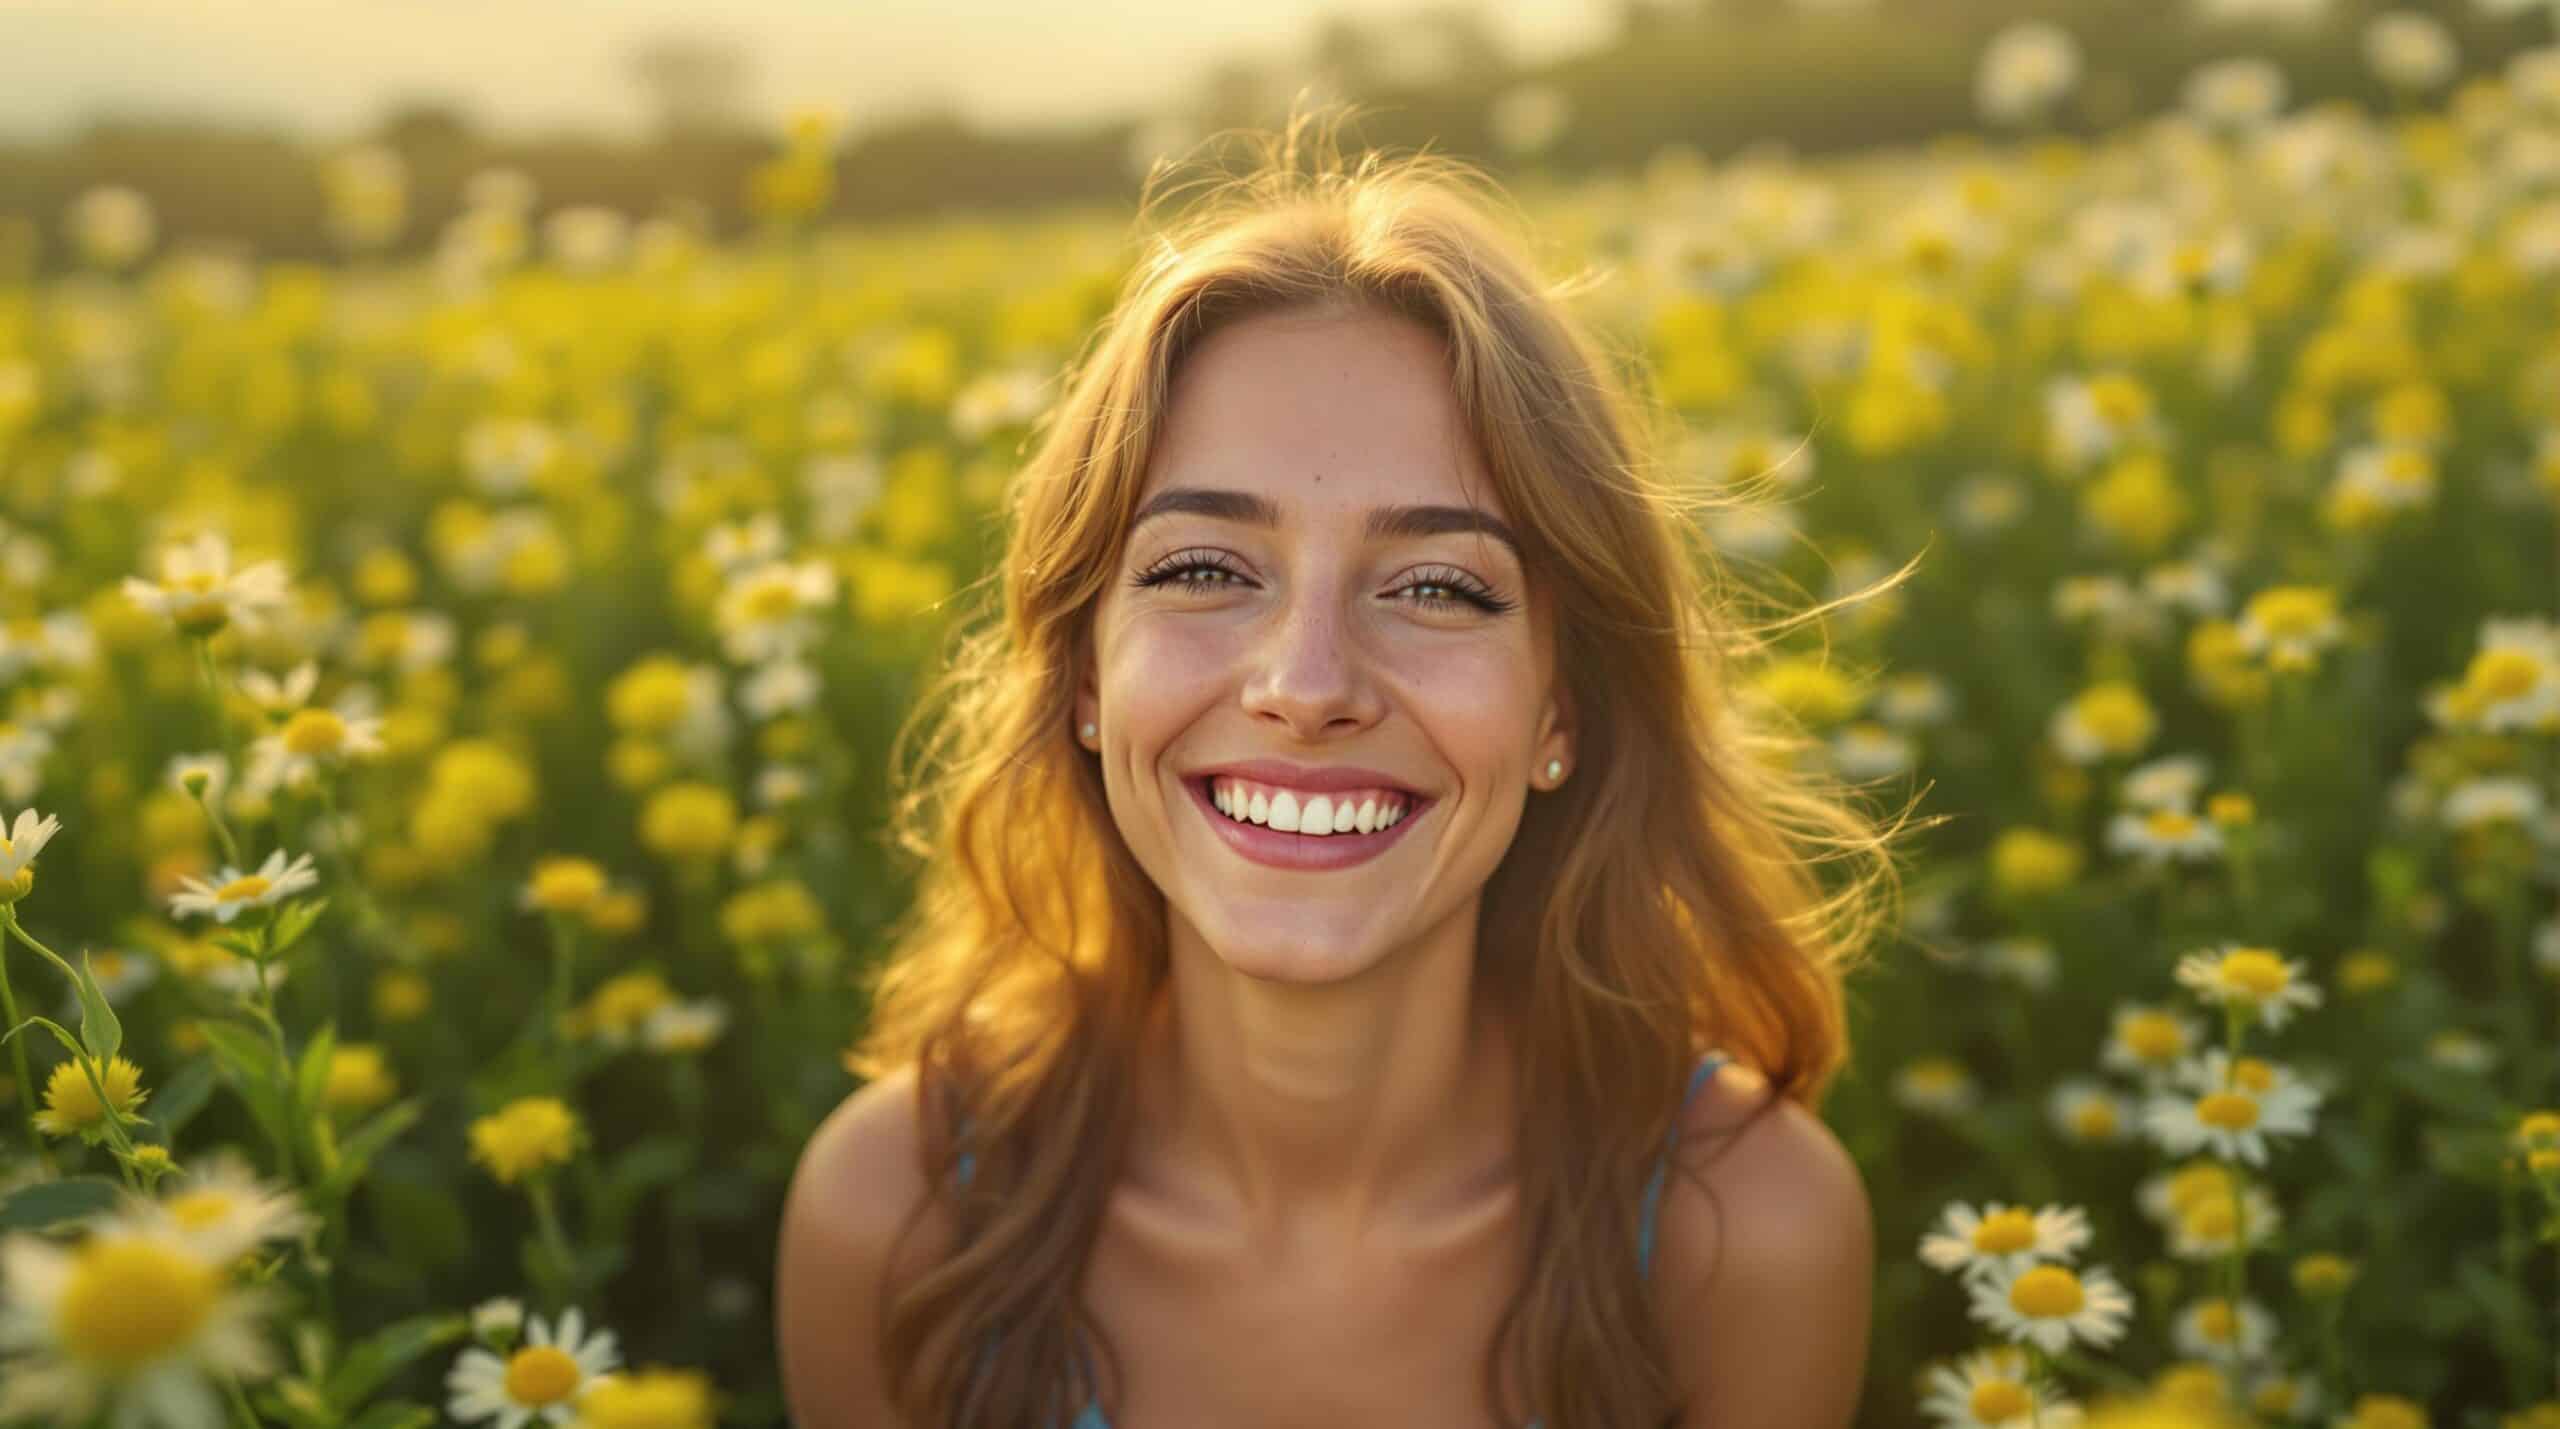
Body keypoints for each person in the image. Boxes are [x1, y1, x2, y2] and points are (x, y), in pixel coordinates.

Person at [778, 107, 1903, 1429]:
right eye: (1203, 569)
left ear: (1567, 708)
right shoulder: (893, 1218)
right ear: (1085, 677)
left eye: (1436, 585)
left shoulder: (1745, 1232)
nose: (1306, 687)